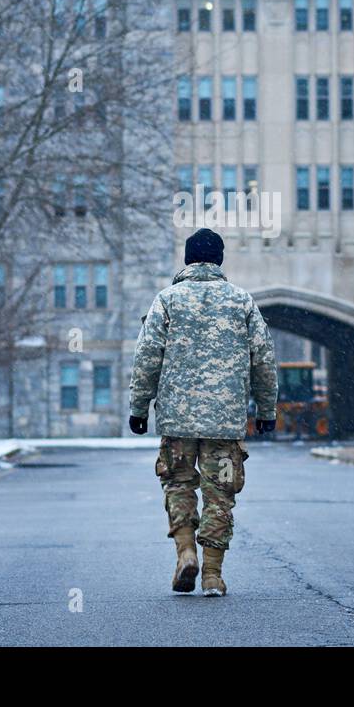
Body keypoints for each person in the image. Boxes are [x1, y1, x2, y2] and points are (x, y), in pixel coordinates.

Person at [128, 228, 278, 596]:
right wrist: (266, 409)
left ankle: (184, 554)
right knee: (220, 494)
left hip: (177, 420)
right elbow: (263, 359)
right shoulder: (242, 302)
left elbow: (147, 357)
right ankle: (212, 574)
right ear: (220, 260)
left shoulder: (167, 300)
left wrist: (138, 407)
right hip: (225, 423)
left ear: (187, 259)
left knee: (179, 483)